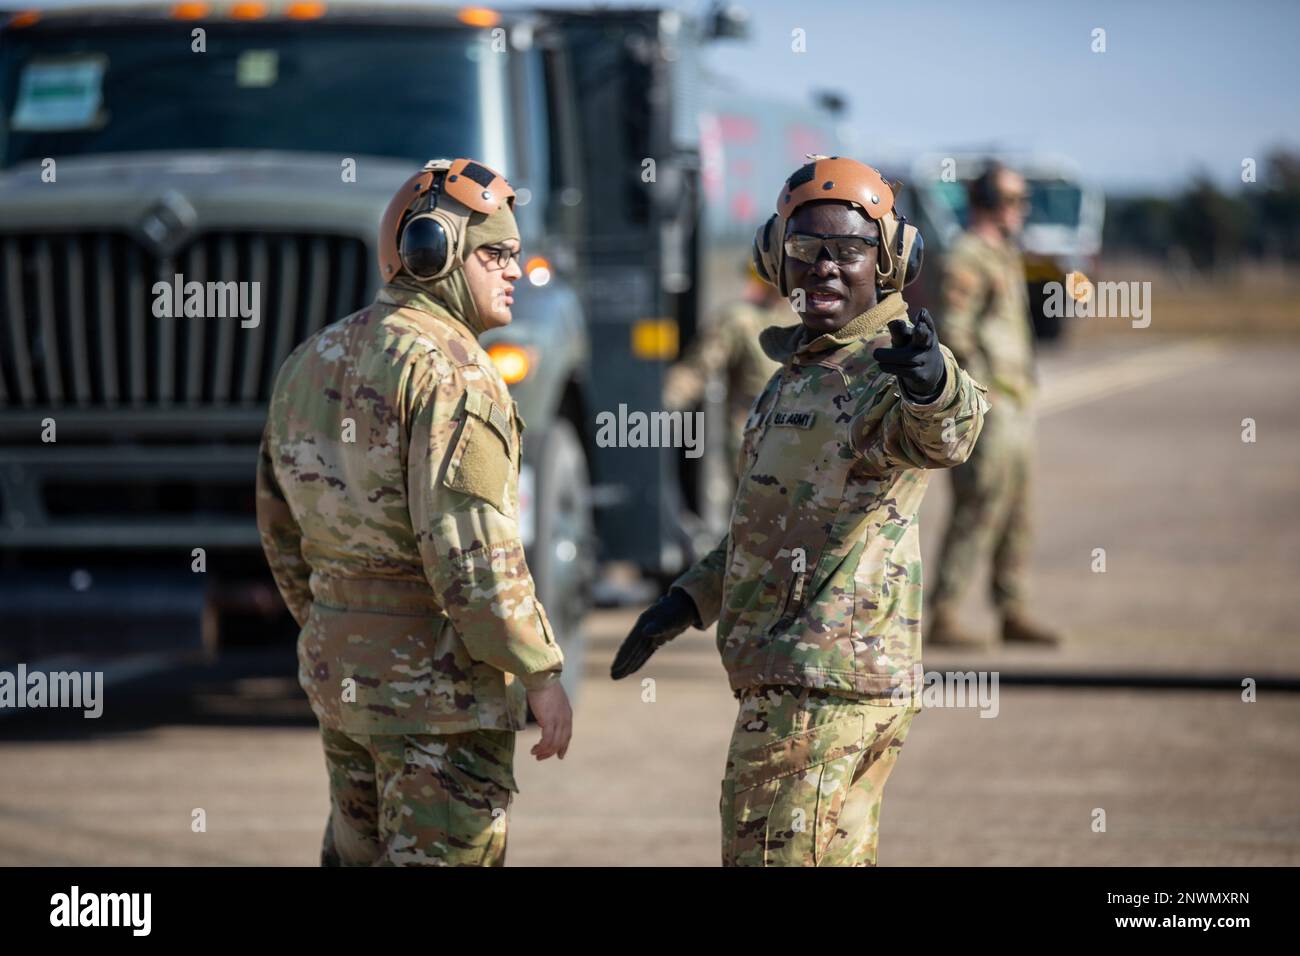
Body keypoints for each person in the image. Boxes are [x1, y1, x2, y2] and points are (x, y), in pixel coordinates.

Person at [611, 156, 989, 866]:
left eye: (848, 251)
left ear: (889, 261)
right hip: (811, 684)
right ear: (774, 261)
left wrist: (933, 380)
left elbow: (949, 433)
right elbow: (770, 524)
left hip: (819, 690)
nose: (824, 268)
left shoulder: (885, 367)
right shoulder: (798, 375)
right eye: (804, 250)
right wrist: (687, 600)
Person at [256, 157, 571, 866]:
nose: (514, 270)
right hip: (441, 699)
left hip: (345, 682)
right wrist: (541, 672)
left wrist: (336, 625)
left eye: (516, 254)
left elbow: (280, 530)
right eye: (495, 253)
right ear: (434, 252)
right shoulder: (454, 372)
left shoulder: (311, 359)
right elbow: (473, 553)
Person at [927, 160, 1062, 648]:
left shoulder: (1003, 253)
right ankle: (943, 611)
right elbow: (955, 333)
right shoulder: (967, 256)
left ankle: (1012, 608)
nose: (1022, 210)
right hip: (990, 406)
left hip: (1016, 401)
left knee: (1017, 512)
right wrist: (978, 396)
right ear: (987, 203)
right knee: (978, 506)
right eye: (1013, 200)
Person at [663, 262, 785, 470]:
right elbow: (697, 370)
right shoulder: (740, 320)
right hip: (755, 447)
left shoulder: (809, 318)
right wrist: (661, 408)